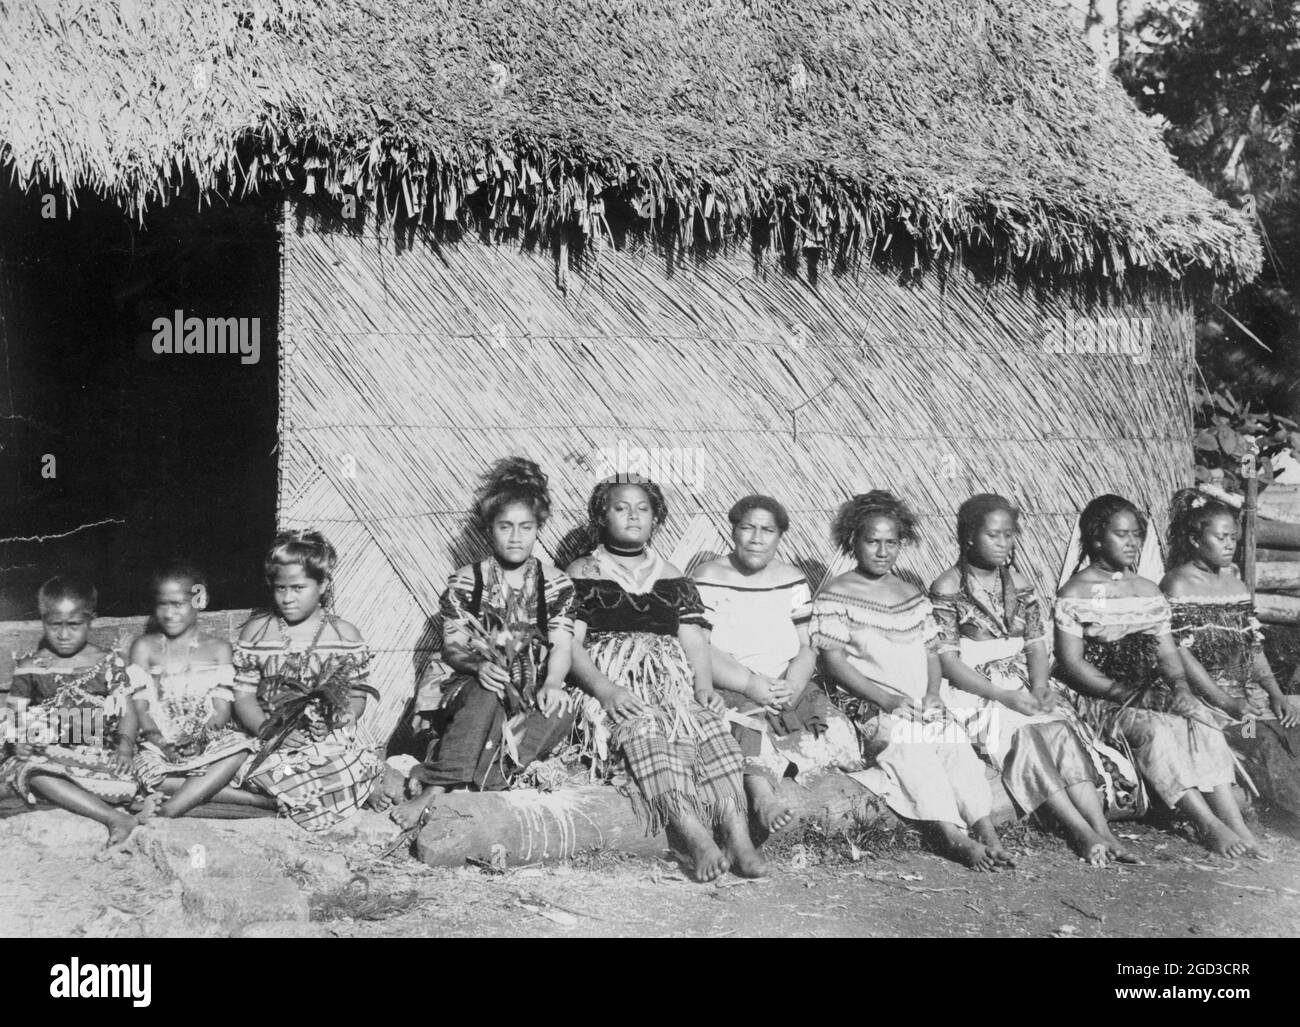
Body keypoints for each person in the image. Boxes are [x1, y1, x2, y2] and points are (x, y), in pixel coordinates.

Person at [567, 476, 766, 882]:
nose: (633, 515)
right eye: (621, 507)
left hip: (670, 683)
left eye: (643, 508)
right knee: (643, 731)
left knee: (709, 726)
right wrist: (605, 690)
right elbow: (568, 644)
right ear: (601, 517)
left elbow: (692, 637)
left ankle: (738, 834)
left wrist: (704, 687)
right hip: (614, 679)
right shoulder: (584, 571)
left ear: (656, 517)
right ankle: (693, 834)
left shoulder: (671, 575)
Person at [930, 494, 1138, 865]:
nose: (1003, 544)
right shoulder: (948, 588)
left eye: (1009, 535)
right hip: (975, 690)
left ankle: (1102, 827)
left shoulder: (1021, 585)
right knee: (1023, 736)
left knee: (1059, 729)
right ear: (967, 538)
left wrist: (1040, 687)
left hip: (1023, 683)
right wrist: (1003, 696)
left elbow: (1036, 646)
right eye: (993, 535)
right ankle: (1079, 829)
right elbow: (947, 661)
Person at [1055, 494, 1265, 858]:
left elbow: (1168, 652)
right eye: (1122, 535)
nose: (1133, 542)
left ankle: (1238, 825)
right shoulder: (1076, 593)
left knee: (1203, 722)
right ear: (1095, 539)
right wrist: (1128, 694)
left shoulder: (1147, 590)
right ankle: (1207, 823)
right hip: (1105, 698)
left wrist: (1182, 689)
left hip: (1153, 691)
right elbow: (1073, 665)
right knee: (1155, 731)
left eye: (1137, 534)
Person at [815, 491, 1015, 871]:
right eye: (872, 541)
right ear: (852, 541)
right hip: (873, 703)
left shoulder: (909, 593)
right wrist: (887, 701)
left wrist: (933, 693)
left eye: (891, 542)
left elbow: (932, 651)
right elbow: (834, 662)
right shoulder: (837, 593)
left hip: (919, 701)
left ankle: (986, 829)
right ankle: (954, 837)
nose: (882, 551)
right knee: (913, 751)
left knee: (954, 745)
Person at [391, 458, 578, 829]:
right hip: (466, 683)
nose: (515, 536)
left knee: (562, 708)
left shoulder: (556, 585)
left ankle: (480, 785)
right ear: (489, 529)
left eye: (526, 527)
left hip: (526, 687)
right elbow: (453, 644)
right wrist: (479, 666)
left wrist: (554, 683)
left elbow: (560, 644)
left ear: (539, 529)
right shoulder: (467, 581)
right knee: (486, 691)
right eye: (505, 526)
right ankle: (439, 787)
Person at [693, 494, 859, 834]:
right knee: (750, 730)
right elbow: (700, 647)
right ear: (733, 531)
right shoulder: (708, 576)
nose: (756, 538)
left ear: (780, 535)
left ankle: (839, 802)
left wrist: (793, 685)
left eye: (767, 530)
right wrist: (752, 684)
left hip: (786, 684)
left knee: (834, 730)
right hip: (734, 683)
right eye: (747, 528)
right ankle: (762, 798)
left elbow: (806, 645)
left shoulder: (793, 581)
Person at [1161, 487, 1300, 827]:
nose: (1229, 546)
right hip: (1210, 703)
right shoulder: (1178, 585)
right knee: (1260, 741)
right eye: (1220, 537)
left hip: (1250, 698)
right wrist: (1227, 702)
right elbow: (1182, 654)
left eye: (1233, 539)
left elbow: (1251, 645)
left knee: (1293, 733)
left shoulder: (1234, 587)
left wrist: (1277, 693)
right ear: (1195, 540)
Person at [233, 530, 384, 831]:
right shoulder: (257, 634)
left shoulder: (344, 636)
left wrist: (337, 719)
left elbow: (355, 696)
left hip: (326, 740)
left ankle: (306, 795)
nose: (287, 598)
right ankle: (343, 792)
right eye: (280, 588)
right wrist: (272, 731)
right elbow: (244, 698)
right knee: (257, 767)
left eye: (298, 588)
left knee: (345, 759)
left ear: (323, 585)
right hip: (272, 742)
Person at [0, 576, 140, 847]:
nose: (63, 635)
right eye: (54, 625)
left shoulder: (108, 662)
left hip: (94, 751)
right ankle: (113, 816)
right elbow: (15, 711)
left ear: (91, 620)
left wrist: (125, 748)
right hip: (47, 751)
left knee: (122, 777)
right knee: (34, 770)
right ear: (43, 620)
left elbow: (127, 712)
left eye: (74, 625)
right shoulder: (32, 665)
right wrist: (19, 742)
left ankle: (101, 812)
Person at [128, 562, 259, 819]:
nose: (168, 613)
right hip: (159, 745)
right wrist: (164, 745)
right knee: (149, 775)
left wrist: (200, 740)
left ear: (199, 600)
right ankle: (252, 801)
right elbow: (141, 710)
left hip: (208, 741)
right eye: (162, 604)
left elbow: (221, 710)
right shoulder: (144, 647)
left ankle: (173, 806)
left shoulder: (218, 649)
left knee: (240, 749)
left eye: (177, 604)